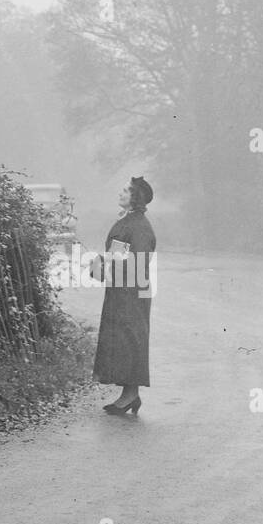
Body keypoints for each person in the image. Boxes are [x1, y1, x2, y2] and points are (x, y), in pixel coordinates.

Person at [93, 176, 156, 415]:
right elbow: (117, 253)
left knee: (131, 339)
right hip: (120, 289)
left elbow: (139, 262)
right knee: (120, 340)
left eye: (125, 191)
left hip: (133, 292)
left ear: (135, 198)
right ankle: (128, 394)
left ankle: (131, 395)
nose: (120, 193)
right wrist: (101, 262)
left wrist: (107, 266)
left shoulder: (140, 225)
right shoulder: (127, 220)